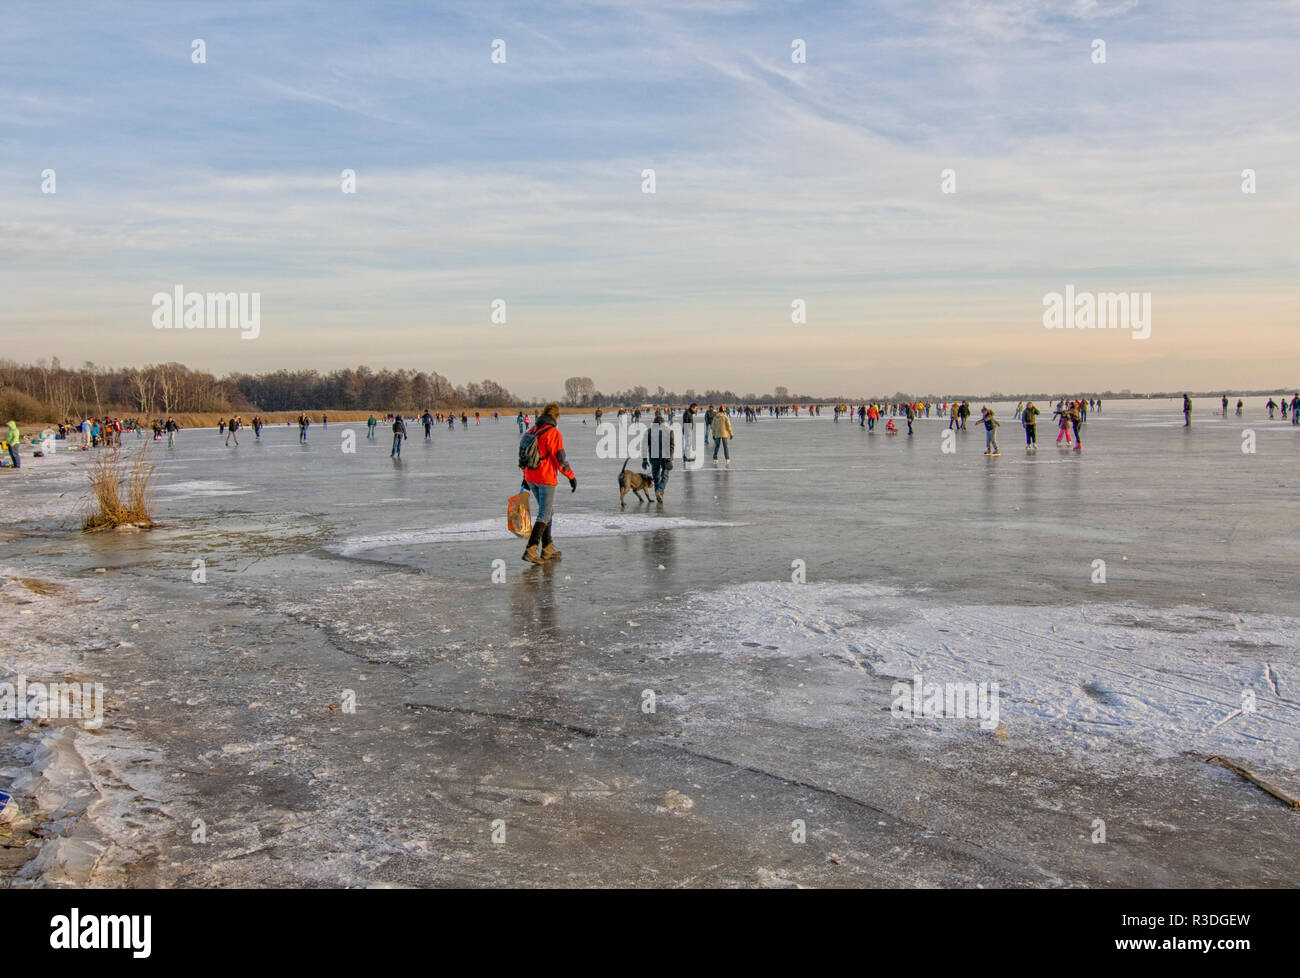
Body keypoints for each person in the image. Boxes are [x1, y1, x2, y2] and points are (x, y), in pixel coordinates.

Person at [520, 403, 576, 564]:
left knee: (548, 511)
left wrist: (525, 476)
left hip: (531, 477)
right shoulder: (553, 433)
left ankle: (547, 547)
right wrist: (571, 477)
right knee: (544, 513)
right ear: (556, 417)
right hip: (545, 478)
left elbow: (524, 455)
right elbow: (560, 459)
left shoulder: (532, 430)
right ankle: (531, 549)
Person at [641, 410, 675, 504]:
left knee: (656, 478)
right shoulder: (669, 431)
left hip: (654, 458)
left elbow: (644, 446)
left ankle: (658, 494)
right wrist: (670, 457)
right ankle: (659, 492)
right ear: (663, 422)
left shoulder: (649, 431)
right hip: (665, 457)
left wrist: (644, 459)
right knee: (665, 475)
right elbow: (671, 446)